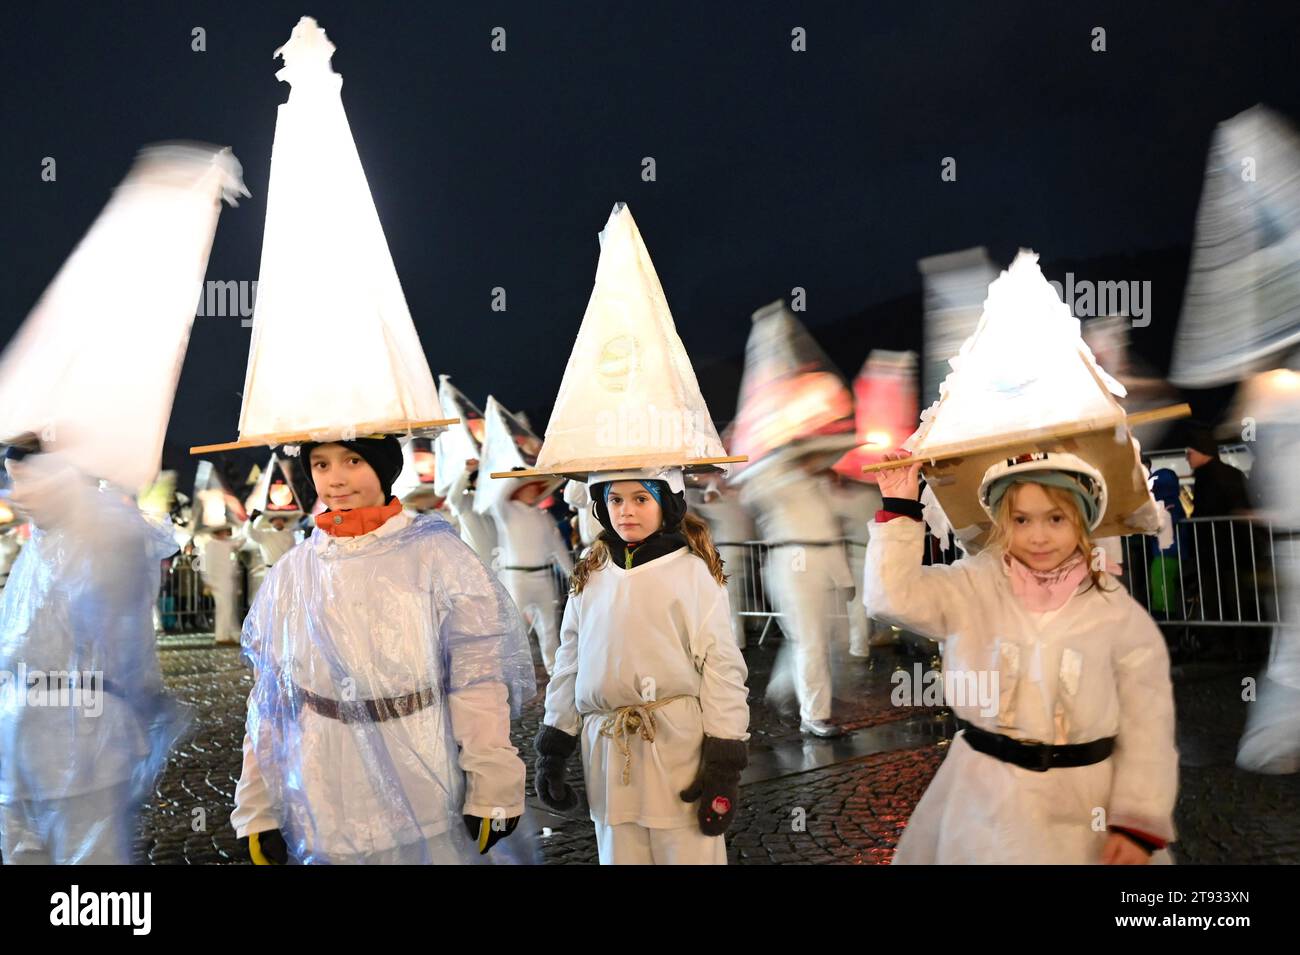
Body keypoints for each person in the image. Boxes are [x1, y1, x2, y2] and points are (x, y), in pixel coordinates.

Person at [230, 436, 537, 864]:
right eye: (320, 465)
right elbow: (271, 700)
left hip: (427, 785)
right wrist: (258, 807)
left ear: (384, 467)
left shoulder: (438, 555)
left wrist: (493, 785)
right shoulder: (293, 571)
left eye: (352, 460)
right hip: (325, 788)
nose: (335, 479)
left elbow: (477, 676)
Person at [866, 450, 1178, 864]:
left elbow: (1148, 726)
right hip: (984, 800)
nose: (1038, 536)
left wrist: (1136, 822)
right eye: (1021, 520)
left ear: (1082, 522)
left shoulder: (1117, 614)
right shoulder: (972, 586)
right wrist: (901, 505)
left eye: (1056, 518)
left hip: (1084, 809)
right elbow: (892, 597)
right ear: (1000, 523)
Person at [534, 470, 749, 865]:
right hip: (607, 751)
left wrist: (723, 762)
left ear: (666, 503)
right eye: (615, 500)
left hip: (675, 748)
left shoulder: (692, 571)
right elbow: (570, 659)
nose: (625, 511)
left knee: (686, 852)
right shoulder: (592, 568)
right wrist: (555, 743)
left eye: (640, 499)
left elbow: (721, 667)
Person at [0, 441, 189, 864]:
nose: (17, 493)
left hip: (83, 733)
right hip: (19, 733)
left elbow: (119, 638)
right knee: (21, 851)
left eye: (28, 477)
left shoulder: (105, 535)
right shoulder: (40, 545)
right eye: (12, 479)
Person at [740, 462, 854, 737]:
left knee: (816, 638)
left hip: (819, 561)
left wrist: (843, 577)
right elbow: (752, 493)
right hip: (792, 561)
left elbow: (831, 531)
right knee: (810, 640)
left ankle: (783, 688)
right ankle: (814, 715)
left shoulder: (821, 483)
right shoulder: (773, 474)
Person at [488, 479, 574, 676]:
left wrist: (572, 574)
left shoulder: (544, 517)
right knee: (512, 626)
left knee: (550, 629)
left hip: (542, 576)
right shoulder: (508, 512)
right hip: (517, 577)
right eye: (529, 487)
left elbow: (558, 548)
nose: (534, 491)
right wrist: (517, 478)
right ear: (518, 490)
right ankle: (507, 672)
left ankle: (554, 671)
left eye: (537, 487)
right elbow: (497, 498)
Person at [200, 525, 243, 646]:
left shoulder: (225, 543)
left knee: (228, 608)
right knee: (225, 608)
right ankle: (223, 635)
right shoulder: (212, 545)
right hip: (219, 581)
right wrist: (208, 581)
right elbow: (206, 565)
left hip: (226, 580)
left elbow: (240, 542)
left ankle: (230, 634)